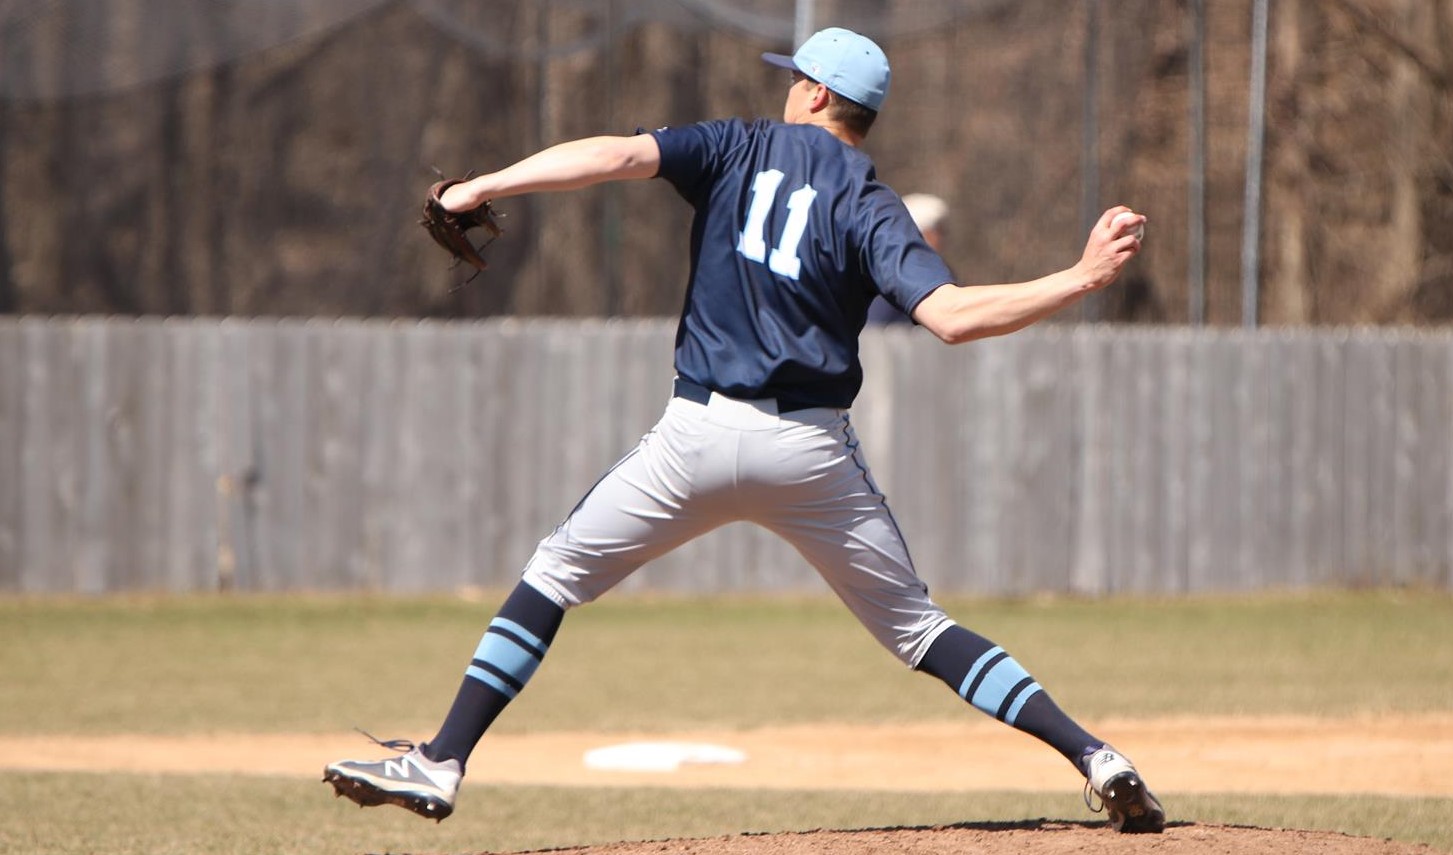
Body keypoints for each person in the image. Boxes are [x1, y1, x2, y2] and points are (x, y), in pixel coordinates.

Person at [323, 27, 1163, 834]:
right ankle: (1092, 754)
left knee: (554, 574)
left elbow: (615, 153)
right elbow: (949, 317)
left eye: (794, 75)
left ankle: (442, 759)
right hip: (807, 452)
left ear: (815, 93)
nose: (786, 86)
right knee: (919, 629)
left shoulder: (736, 145)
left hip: (696, 434)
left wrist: (481, 188)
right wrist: (1080, 275)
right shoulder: (871, 202)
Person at [866, 192, 948, 324]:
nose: (939, 239)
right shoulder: (893, 277)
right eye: (934, 232)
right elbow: (874, 328)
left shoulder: (943, 273)